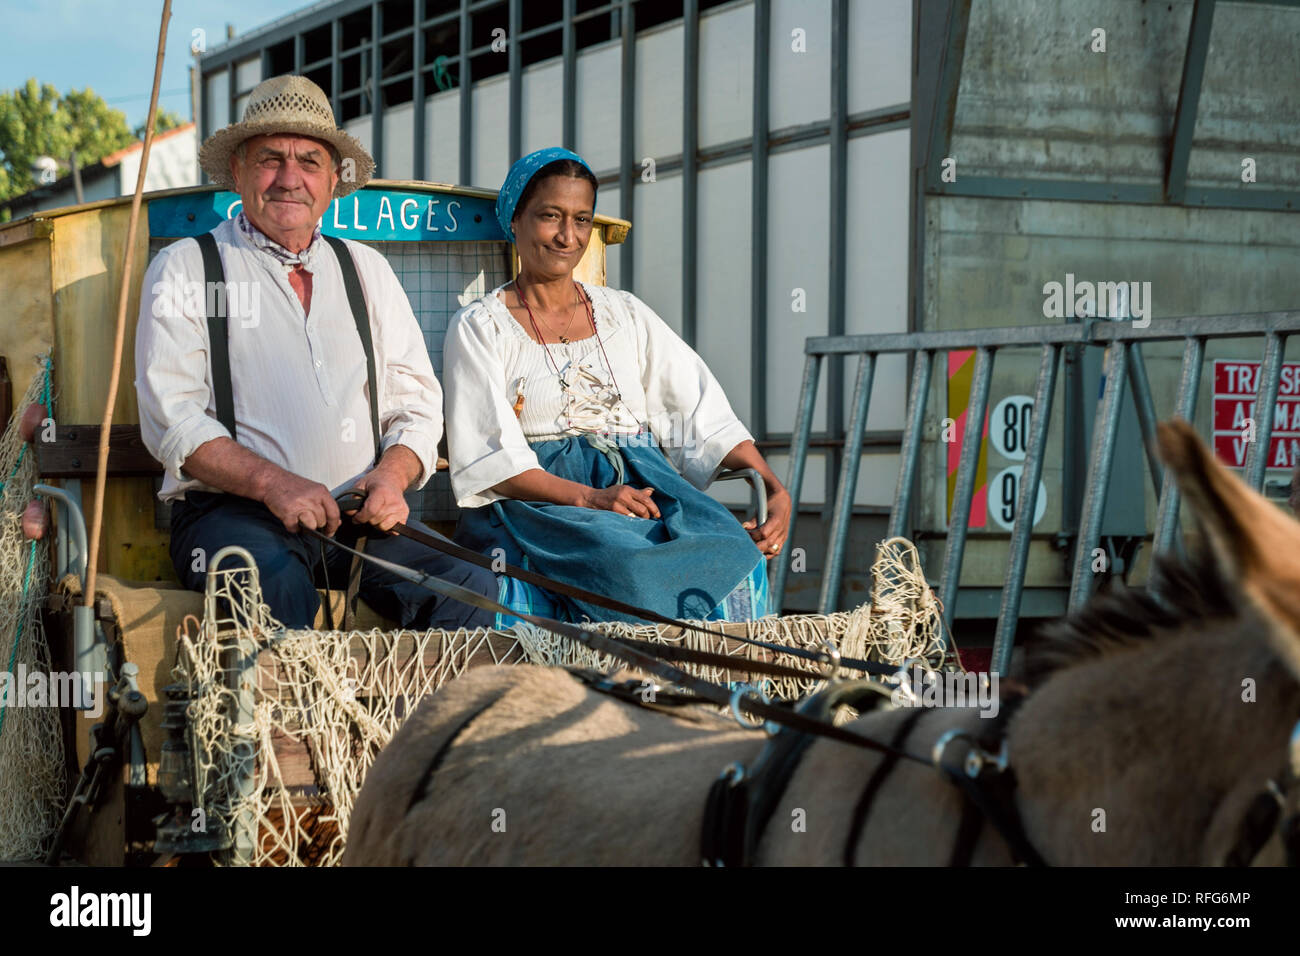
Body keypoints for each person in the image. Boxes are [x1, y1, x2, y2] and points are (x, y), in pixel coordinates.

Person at [135, 74, 496, 630]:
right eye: (270, 159)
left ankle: (411, 720)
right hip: (233, 518)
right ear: (238, 171)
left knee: (467, 582)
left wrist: (390, 478)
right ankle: (292, 722)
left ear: (332, 179)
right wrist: (274, 485)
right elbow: (173, 421)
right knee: (269, 582)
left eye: (308, 161)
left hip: (357, 518)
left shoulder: (366, 269)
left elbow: (418, 407)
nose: (289, 179)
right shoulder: (187, 267)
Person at [444, 147, 792, 626]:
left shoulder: (623, 313)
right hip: (544, 503)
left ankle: (731, 698)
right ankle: (644, 695)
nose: (568, 236)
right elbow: (491, 459)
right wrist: (592, 498)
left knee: (737, 556)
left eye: (581, 219)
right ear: (516, 219)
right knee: (625, 563)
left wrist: (773, 486)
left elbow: (698, 412)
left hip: (647, 486)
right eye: (550, 216)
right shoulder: (481, 326)